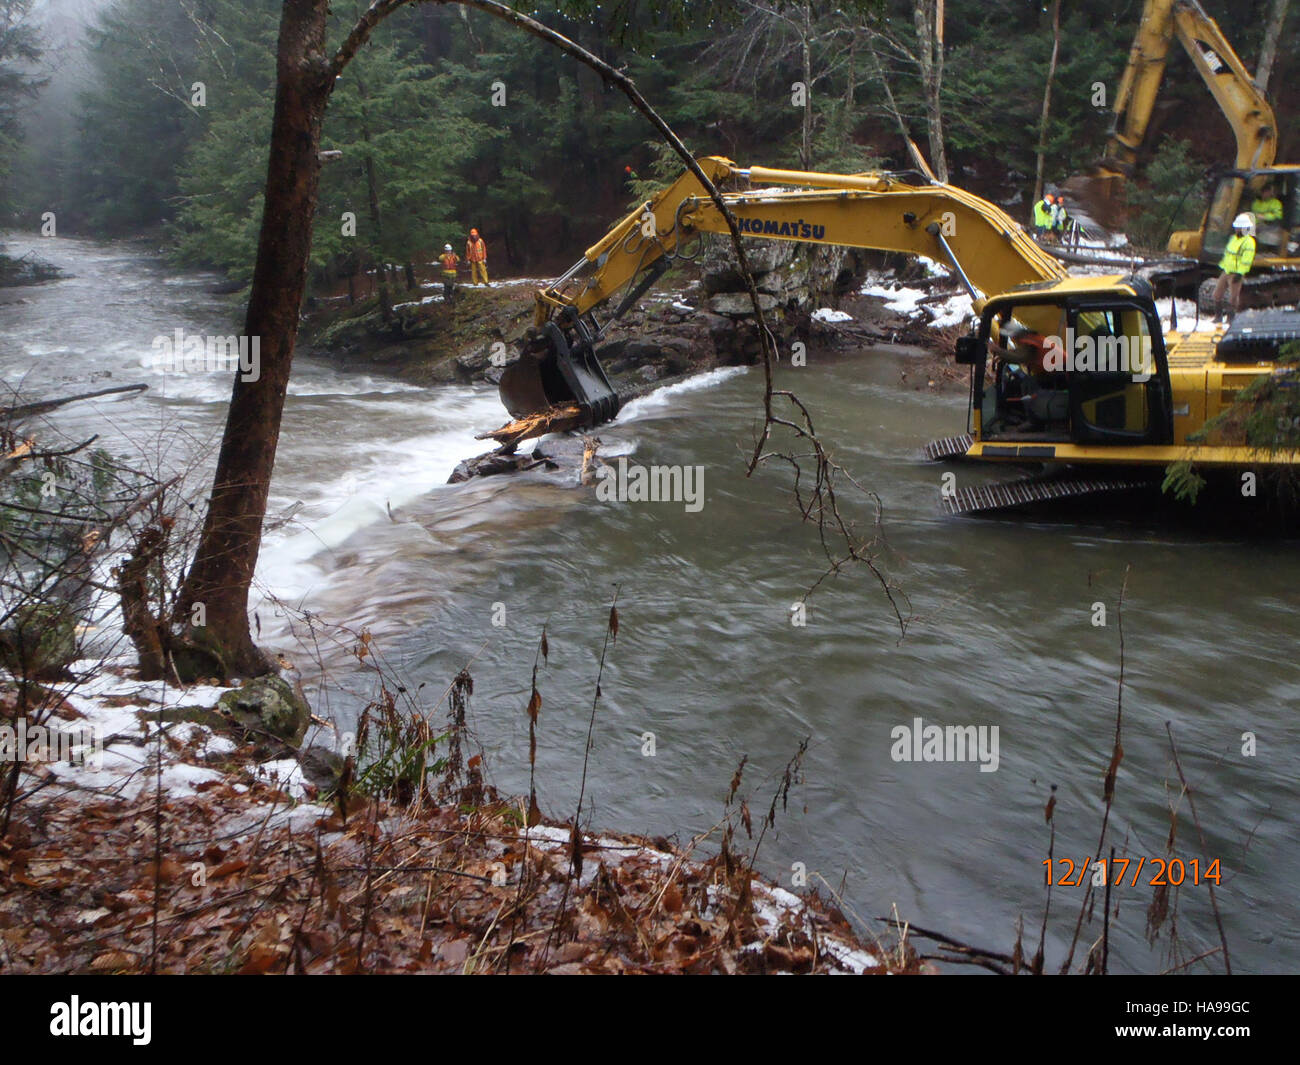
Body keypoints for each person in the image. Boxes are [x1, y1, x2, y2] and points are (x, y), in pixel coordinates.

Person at [1211, 213, 1256, 320]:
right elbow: (1228, 254)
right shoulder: (1233, 238)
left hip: (1236, 273)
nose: (1235, 229)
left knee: (1233, 298)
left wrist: (1240, 273)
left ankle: (1230, 318)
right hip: (1226, 270)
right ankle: (1218, 317)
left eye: (1238, 227)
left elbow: (1246, 260)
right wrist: (1222, 266)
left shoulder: (1249, 242)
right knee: (1217, 295)